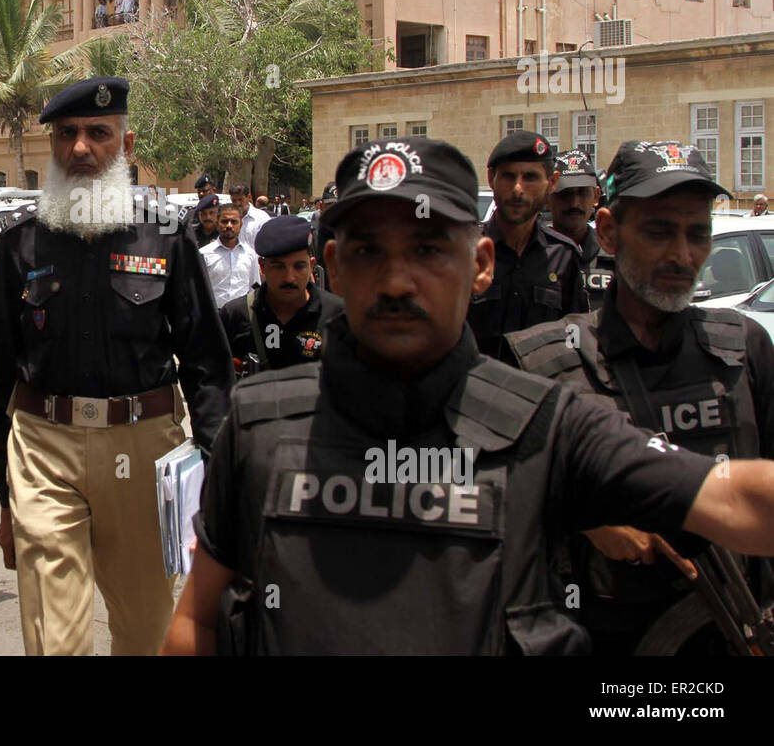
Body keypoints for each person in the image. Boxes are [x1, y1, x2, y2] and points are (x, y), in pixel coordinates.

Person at [163, 135, 774, 655]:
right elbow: (198, 619)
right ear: (334, 266)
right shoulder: (260, 422)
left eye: (428, 250)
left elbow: (737, 501)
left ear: (480, 264)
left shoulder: (546, 424)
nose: (397, 280)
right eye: (369, 250)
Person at [0, 76, 233, 656]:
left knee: (145, 629)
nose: (80, 149)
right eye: (66, 134)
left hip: (143, 449)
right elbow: (0, 374)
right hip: (44, 447)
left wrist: (218, 479)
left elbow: (205, 363)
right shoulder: (19, 244)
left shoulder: (167, 238)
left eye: (98, 133)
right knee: (54, 638)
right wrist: (3, 492)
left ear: (125, 144)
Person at [507, 140, 774, 654]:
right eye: (659, 231)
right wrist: (589, 518)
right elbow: (473, 494)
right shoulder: (543, 362)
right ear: (608, 231)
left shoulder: (744, 348)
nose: (682, 254)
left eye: (697, 233)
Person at [467, 130, 587, 359]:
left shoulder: (563, 255)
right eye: (508, 176)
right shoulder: (466, 251)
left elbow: (574, 341)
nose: (517, 189)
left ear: (552, 182)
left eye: (530, 177)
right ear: (491, 179)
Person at [218, 215, 343, 375]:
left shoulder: (337, 316)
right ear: (262, 267)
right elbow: (213, 378)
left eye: (299, 266)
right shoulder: (235, 315)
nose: (289, 277)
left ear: (312, 266)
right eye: (279, 267)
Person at [549, 149, 614, 310]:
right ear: (548, 197)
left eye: (582, 193)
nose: (575, 203)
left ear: (596, 196)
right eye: (565, 193)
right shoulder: (534, 257)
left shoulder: (616, 257)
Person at [201, 203, 260, 308]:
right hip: (214, 315)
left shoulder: (250, 254)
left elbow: (254, 286)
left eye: (234, 222)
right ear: (217, 223)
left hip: (241, 315)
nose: (229, 225)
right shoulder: (204, 254)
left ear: (241, 224)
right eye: (224, 221)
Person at [228, 183, 270, 250]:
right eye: (234, 201)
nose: (237, 203)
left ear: (249, 197)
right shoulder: (228, 219)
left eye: (240, 199)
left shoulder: (261, 217)